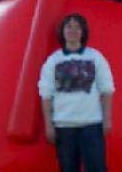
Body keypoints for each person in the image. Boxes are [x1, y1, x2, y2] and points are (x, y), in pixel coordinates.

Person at [38, 13, 115, 172]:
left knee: (97, 168)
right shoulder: (53, 61)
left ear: (83, 32)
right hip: (64, 126)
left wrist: (107, 119)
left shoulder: (95, 57)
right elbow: (46, 94)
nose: (73, 30)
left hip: (92, 125)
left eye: (77, 27)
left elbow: (107, 89)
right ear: (63, 32)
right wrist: (48, 125)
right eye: (69, 27)